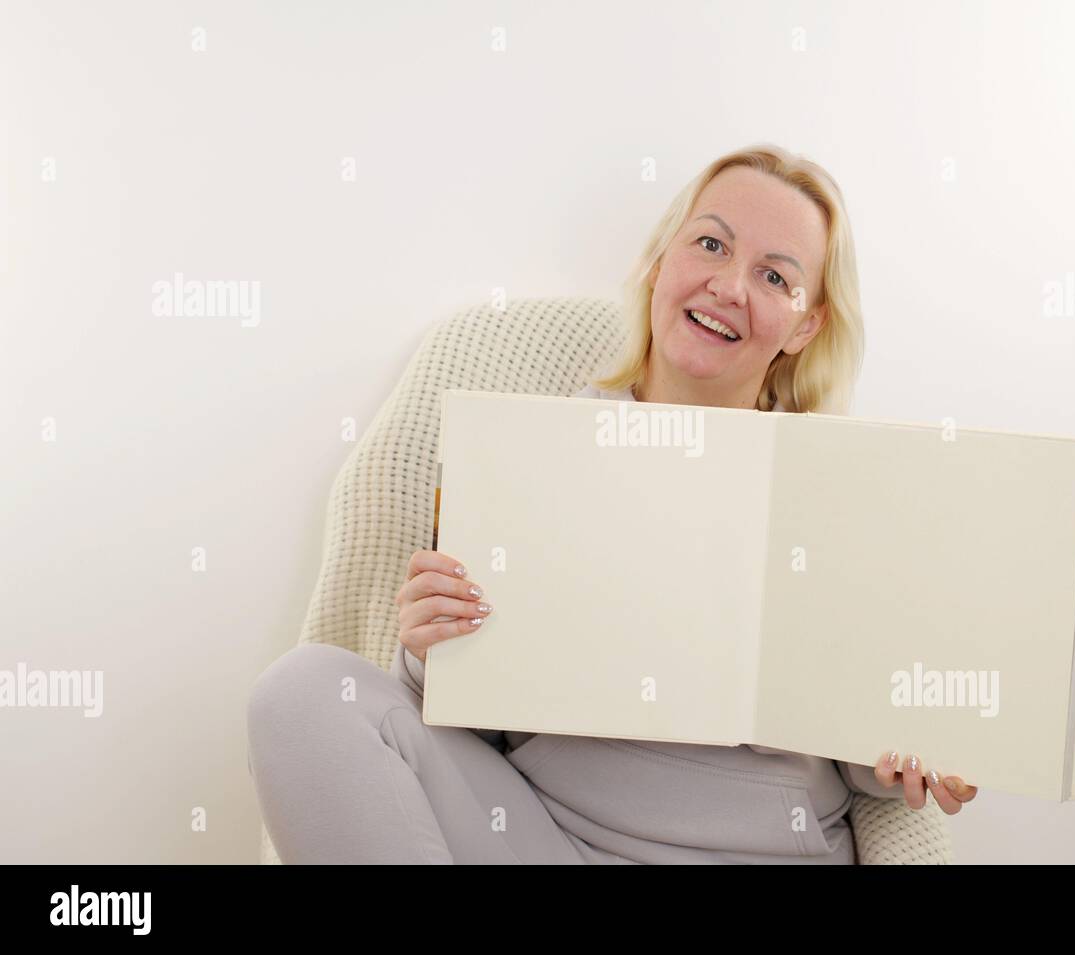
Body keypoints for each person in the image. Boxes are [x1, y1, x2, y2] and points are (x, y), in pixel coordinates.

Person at [246, 143, 977, 864]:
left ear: (806, 323)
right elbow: (469, 708)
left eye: (773, 275)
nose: (728, 285)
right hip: (539, 834)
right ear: (661, 263)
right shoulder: (529, 451)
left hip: (756, 848)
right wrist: (427, 648)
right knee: (304, 693)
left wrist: (898, 745)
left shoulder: (838, 487)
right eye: (711, 244)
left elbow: (859, 736)